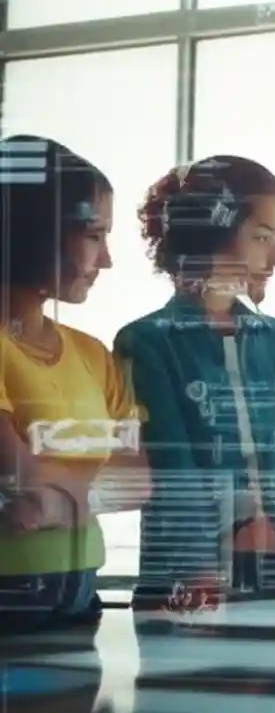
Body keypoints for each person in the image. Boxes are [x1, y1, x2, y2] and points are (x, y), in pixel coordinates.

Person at [115, 155, 275, 611]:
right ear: (214, 231)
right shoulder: (147, 343)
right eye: (262, 238)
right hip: (186, 589)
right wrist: (199, 570)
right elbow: (171, 473)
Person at [0, 134, 151, 635]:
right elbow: (15, 467)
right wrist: (82, 488)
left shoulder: (93, 354)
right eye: (93, 234)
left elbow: (138, 478)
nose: (105, 260)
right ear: (34, 230)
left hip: (81, 593)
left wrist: (53, 501)